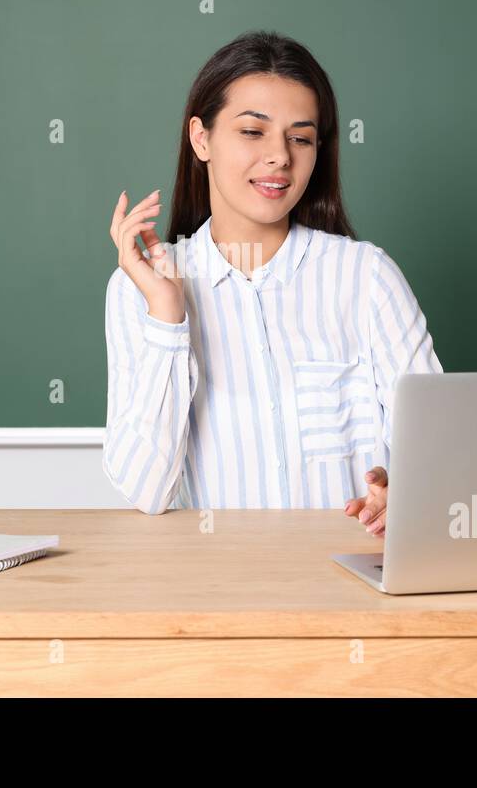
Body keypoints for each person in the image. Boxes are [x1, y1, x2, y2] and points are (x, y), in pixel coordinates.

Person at [103, 30, 442, 537]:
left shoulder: (366, 277)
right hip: (217, 594)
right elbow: (146, 490)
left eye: (300, 137)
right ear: (202, 139)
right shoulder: (142, 288)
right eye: (252, 132)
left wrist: (410, 493)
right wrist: (168, 317)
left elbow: (441, 455)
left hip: (353, 591)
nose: (280, 157)